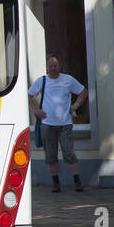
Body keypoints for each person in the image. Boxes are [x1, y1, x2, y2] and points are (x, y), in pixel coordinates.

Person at [29, 54, 87, 192]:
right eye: (51, 66)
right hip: (47, 124)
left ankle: (77, 181)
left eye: (55, 66)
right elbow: (30, 95)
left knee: (69, 152)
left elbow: (83, 92)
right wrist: (36, 110)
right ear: (47, 68)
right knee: (50, 155)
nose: (53, 69)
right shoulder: (42, 81)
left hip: (65, 124)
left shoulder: (67, 80)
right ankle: (56, 183)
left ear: (59, 67)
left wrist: (75, 106)